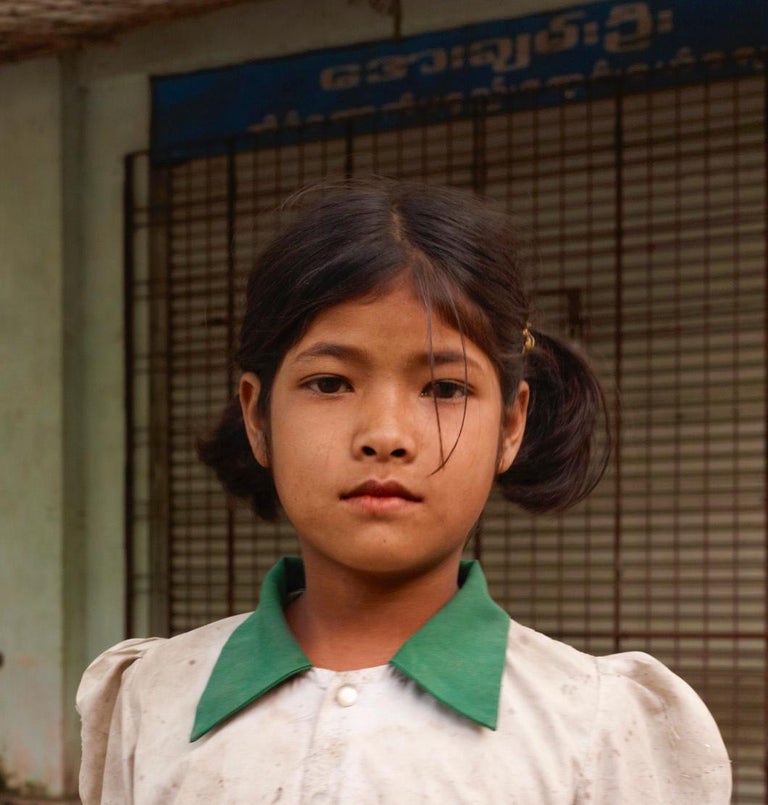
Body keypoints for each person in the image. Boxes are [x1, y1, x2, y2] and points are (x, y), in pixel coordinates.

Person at [77, 181, 731, 803]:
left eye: (444, 388)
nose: (385, 435)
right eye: (330, 383)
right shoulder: (154, 696)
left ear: (510, 425)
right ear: (257, 415)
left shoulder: (595, 724)